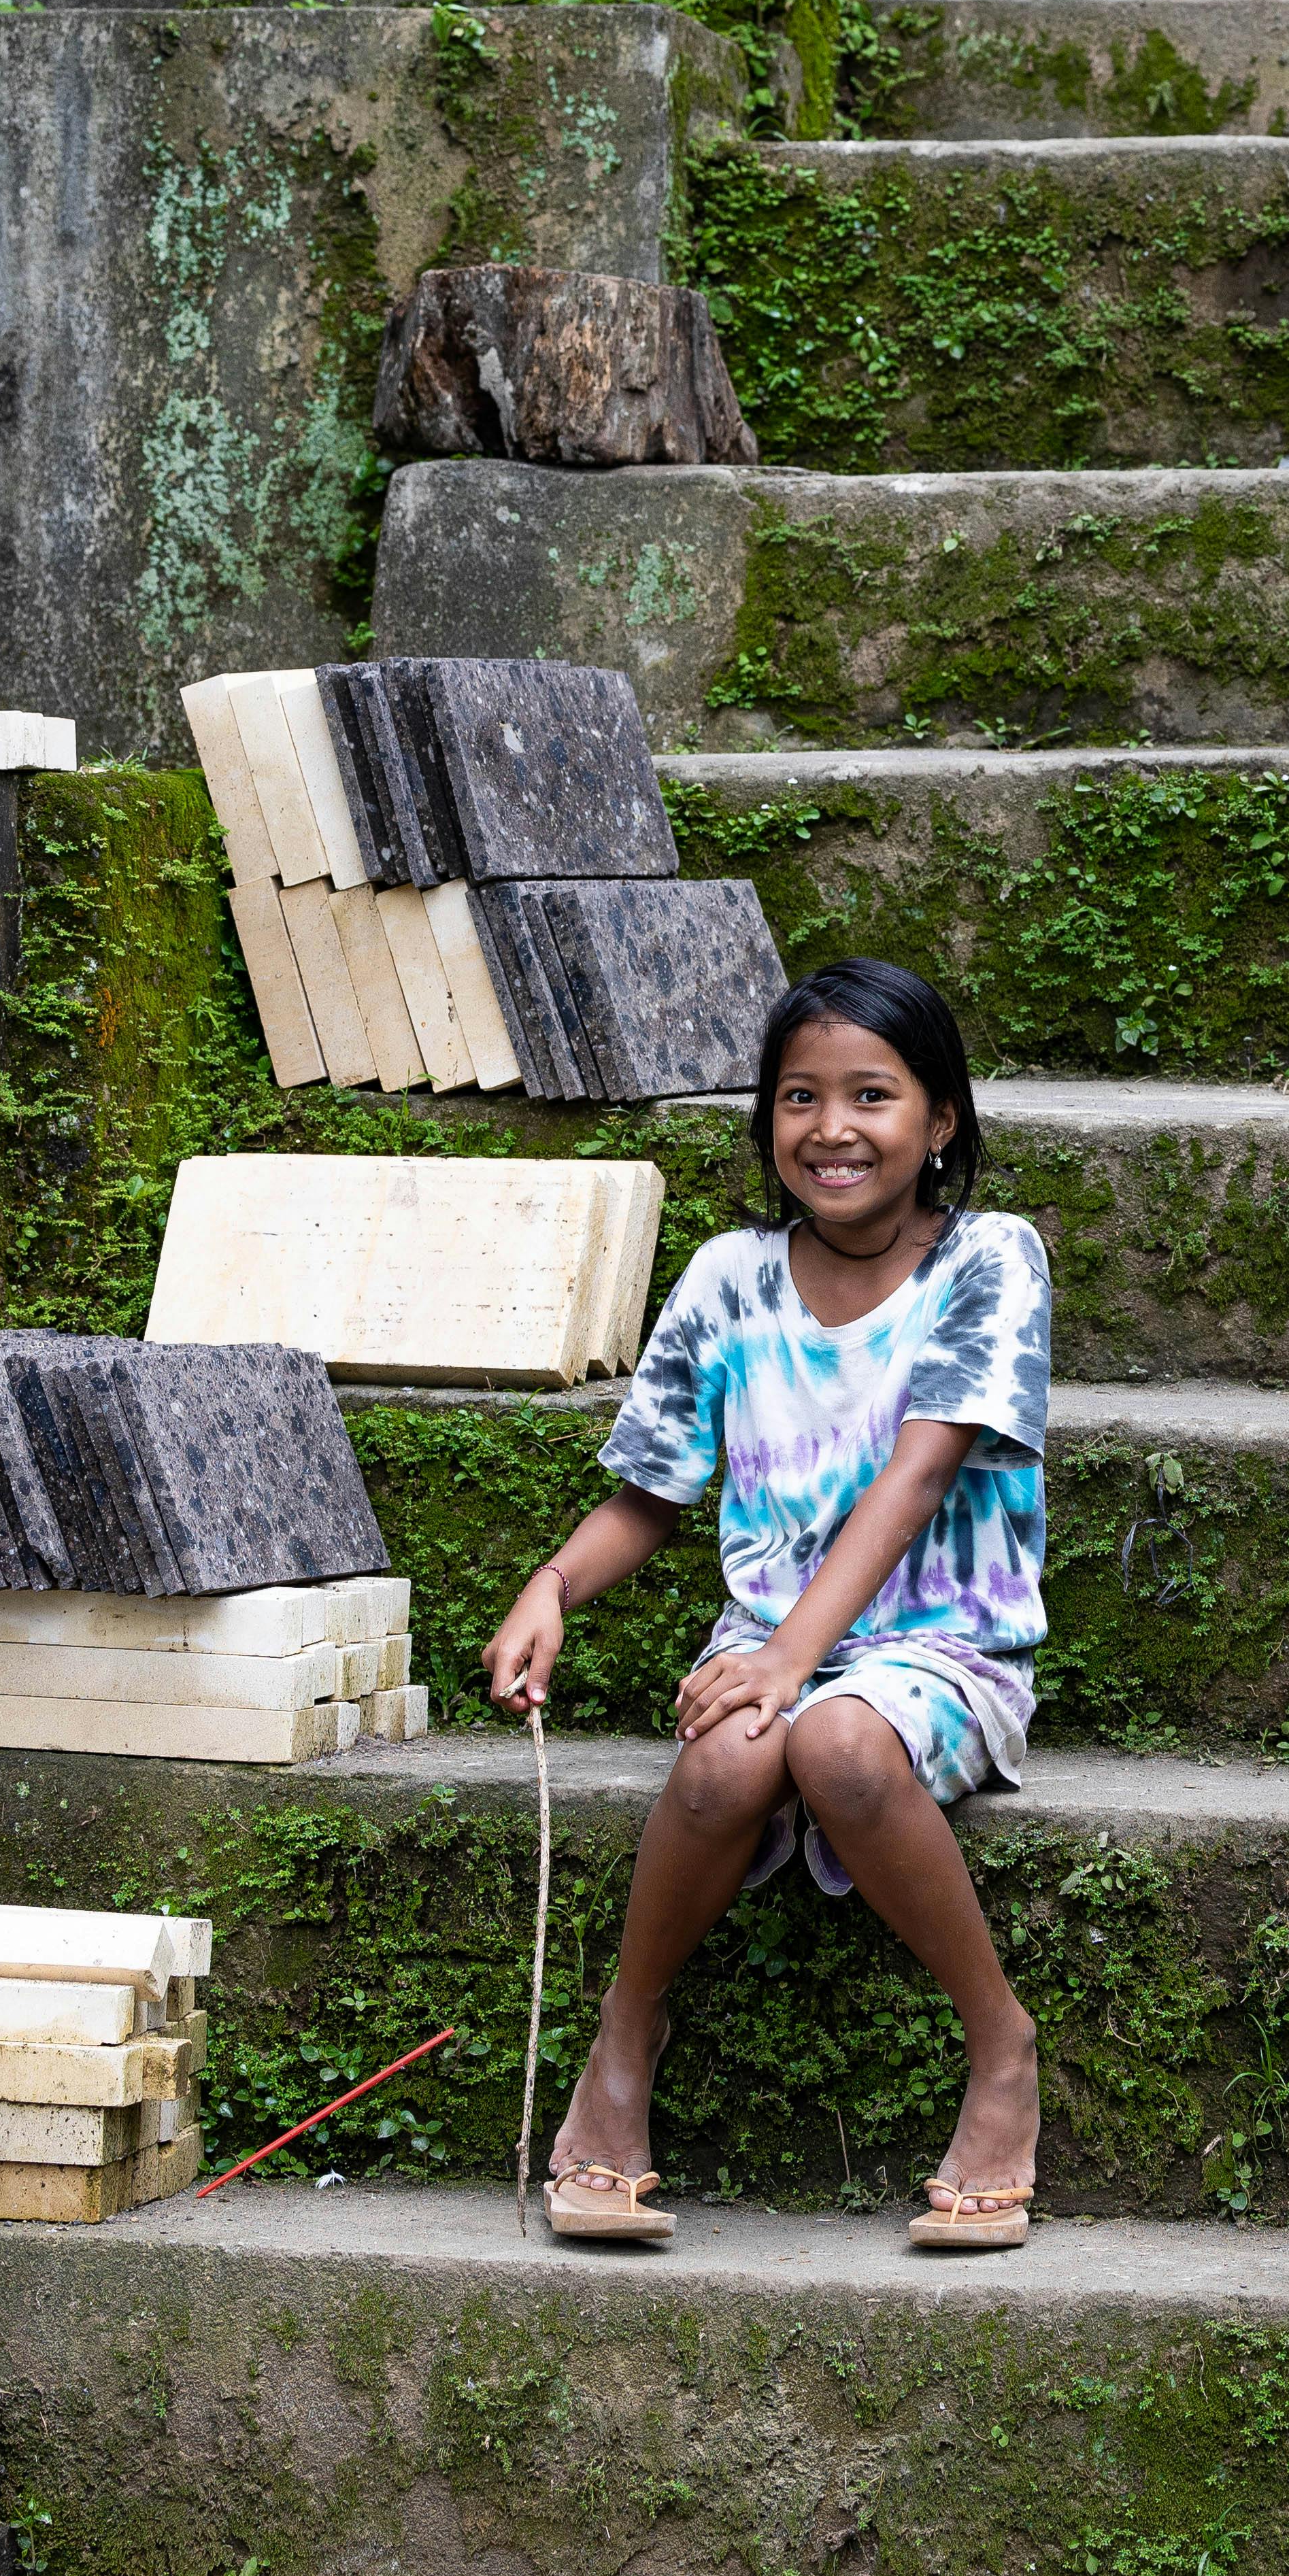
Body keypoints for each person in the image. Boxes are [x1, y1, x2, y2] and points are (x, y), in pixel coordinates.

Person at [482, 955, 1054, 2258]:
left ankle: (1000, 2041)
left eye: (872, 1095)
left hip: (942, 1640)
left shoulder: (990, 1260)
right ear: (767, 1119)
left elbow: (920, 1473)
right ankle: (624, 2039)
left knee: (836, 1744)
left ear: (940, 1121)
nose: (832, 1128)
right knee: (722, 1766)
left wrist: (798, 1661)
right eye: (799, 1096)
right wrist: (552, 1586)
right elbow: (653, 1493)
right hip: (771, 1642)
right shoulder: (728, 1276)